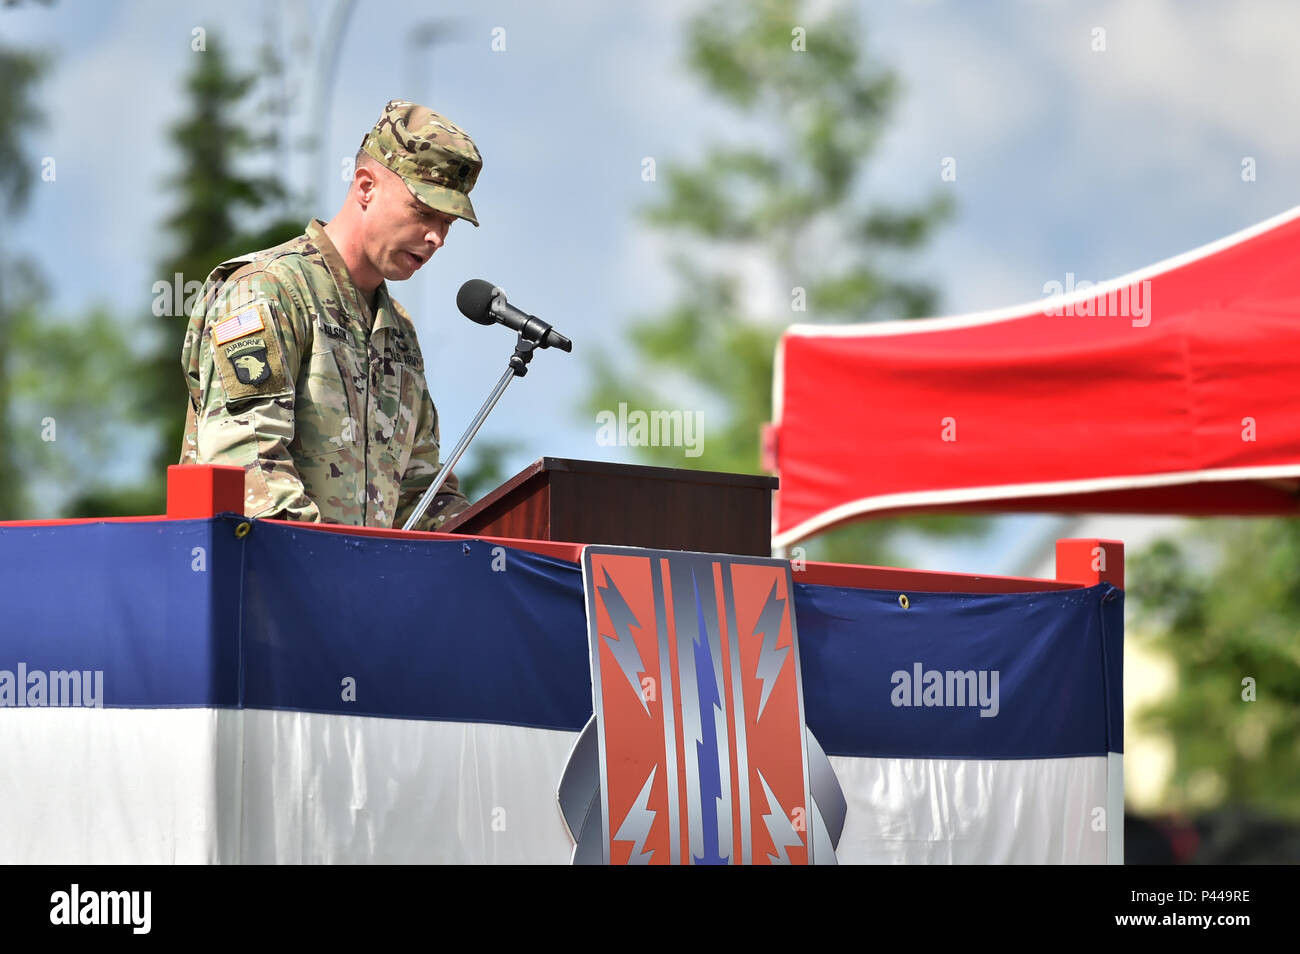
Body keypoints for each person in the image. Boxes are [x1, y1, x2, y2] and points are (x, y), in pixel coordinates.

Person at [179, 100, 480, 531]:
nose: (436, 237)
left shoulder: (398, 331)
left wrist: (495, 549)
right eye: (424, 212)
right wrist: (336, 567)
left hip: (358, 589)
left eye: (447, 221)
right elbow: (248, 464)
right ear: (365, 187)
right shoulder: (267, 291)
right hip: (259, 586)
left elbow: (418, 492)